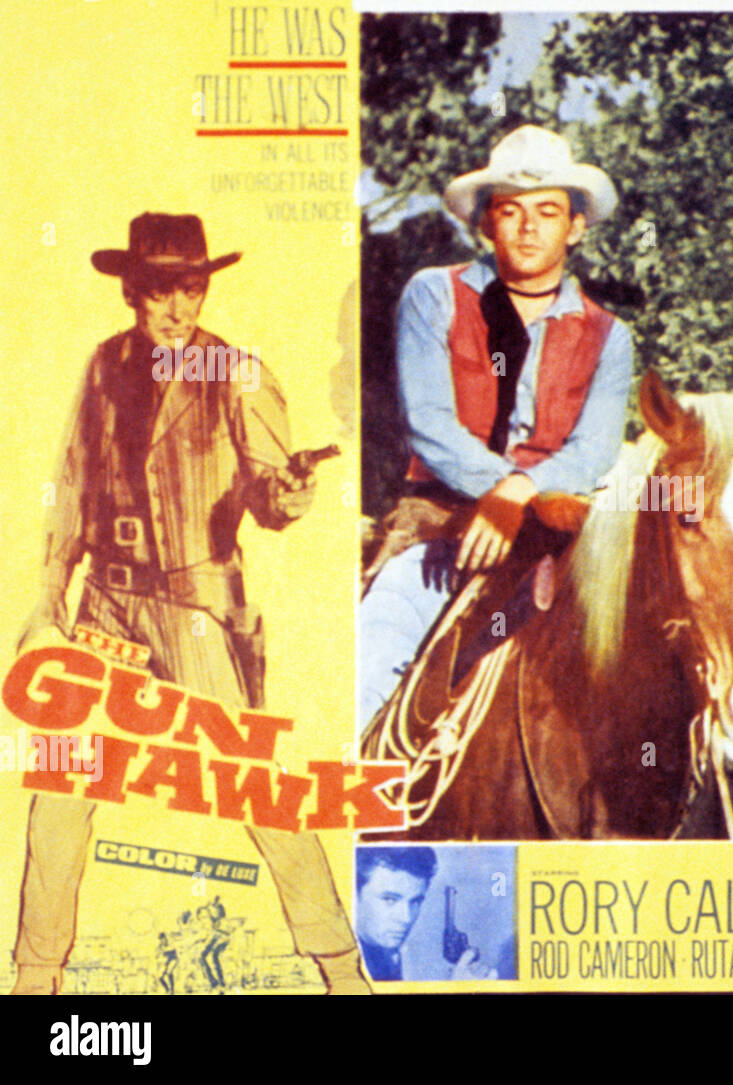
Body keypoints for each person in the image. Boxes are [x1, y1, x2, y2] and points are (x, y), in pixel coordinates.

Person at [10, 213, 369, 994]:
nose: (179, 306)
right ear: (133, 289)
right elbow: (71, 487)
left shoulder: (236, 369)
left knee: (258, 787)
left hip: (199, 608)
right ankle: (33, 978)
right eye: (162, 290)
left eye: (193, 287)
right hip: (107, 605)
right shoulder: (105, 365)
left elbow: (273, 495)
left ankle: (343, 970)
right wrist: (47, 600)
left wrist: (290, 489)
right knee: (62, 786)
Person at [357, 125, 633, 726]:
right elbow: (428, 420)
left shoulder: (609, 335)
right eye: (511, 211)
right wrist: (497, 487)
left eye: (548, 212)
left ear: (576, 226)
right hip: (443, 530)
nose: (529, 227)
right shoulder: (434, 295)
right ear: (485, 223)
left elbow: (596, 448)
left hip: (562, 542)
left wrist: (517, 494)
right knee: (368, 664)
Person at [354, 847, 495, 981]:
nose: (407, 918)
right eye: (389, 899)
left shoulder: (388, 955)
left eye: (415, 902)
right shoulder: (342, 962)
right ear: (354, 895)